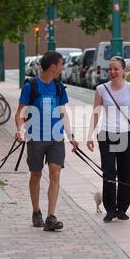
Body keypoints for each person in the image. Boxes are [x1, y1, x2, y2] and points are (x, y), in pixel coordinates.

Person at [14, 51, 79, 232]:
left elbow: (63, 113)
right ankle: (36, 211)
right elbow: (20, 113)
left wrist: (71, 135)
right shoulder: (31, 86)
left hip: (55, 138)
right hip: (35, 138)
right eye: (61, 65)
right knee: (36, 175)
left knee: (55, 172)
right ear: (53, 67)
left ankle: (51, 216)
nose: (62, 68)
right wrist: (19, 130)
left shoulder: (59, 87)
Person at [87, 56, 130, 223]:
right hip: (106, 135)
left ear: (123, 71)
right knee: (108, 173)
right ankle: (110, 210)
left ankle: (122, 209)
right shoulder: (101, 89)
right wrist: (89, 135)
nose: (113, 72)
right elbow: (96, 112)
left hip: (126, 135)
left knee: (124, 174)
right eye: (110, 69)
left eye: (116, 69)